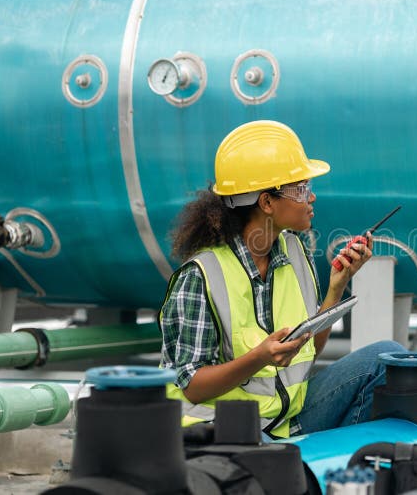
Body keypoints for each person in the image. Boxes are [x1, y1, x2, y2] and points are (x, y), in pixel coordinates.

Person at [159, 120, 403, 438]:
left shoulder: (294, 251)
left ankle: (316, 466)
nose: (311, 198)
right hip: (219, 433)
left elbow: (308, 348)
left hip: (284, 422)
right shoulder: (200, 277)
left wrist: (337, 286)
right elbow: (190, 386)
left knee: (387, 358)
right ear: (267, 202)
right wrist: (258, 357)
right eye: (301, 189)